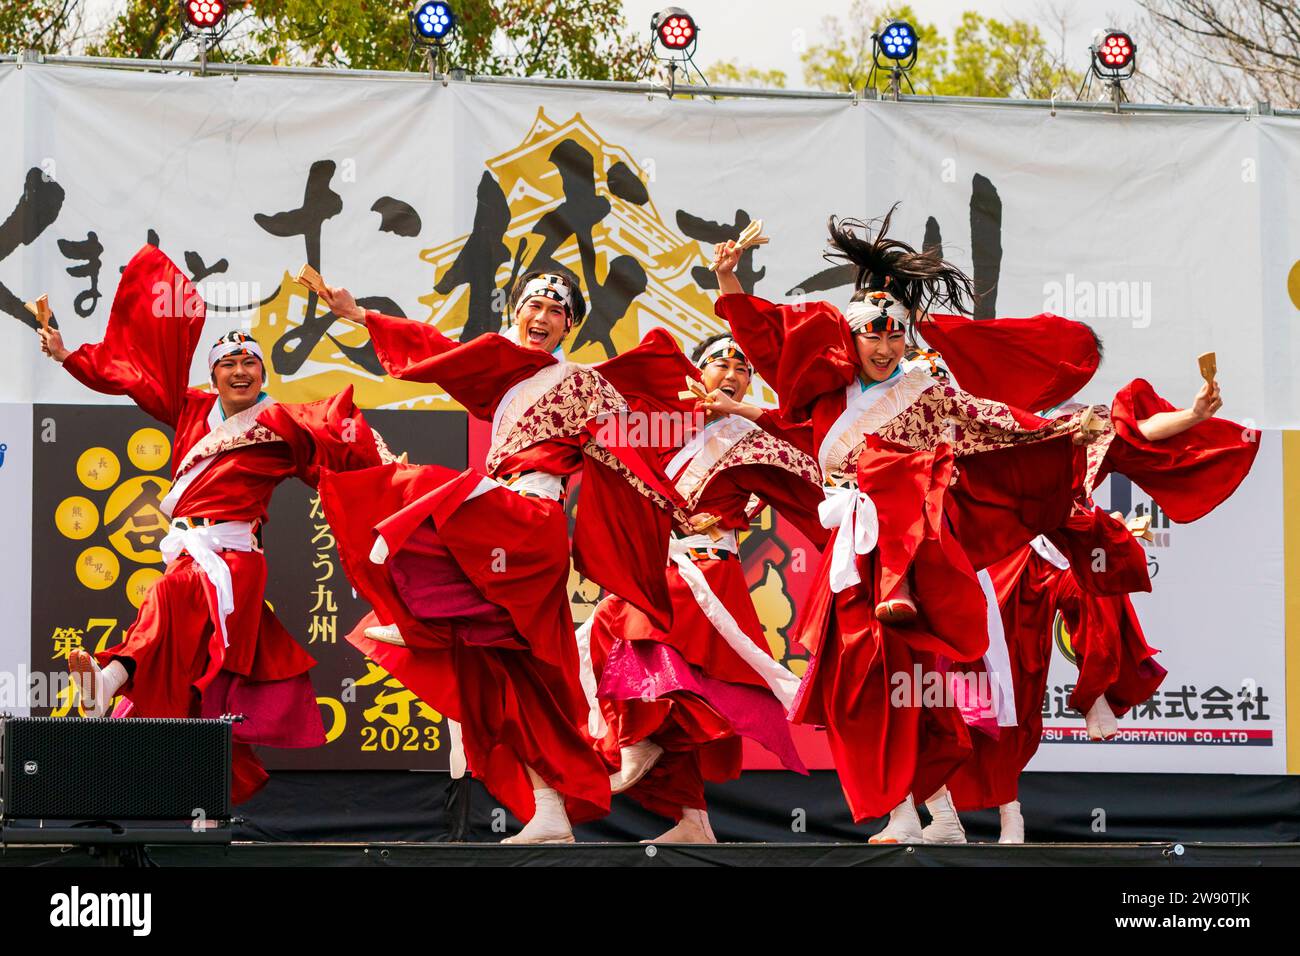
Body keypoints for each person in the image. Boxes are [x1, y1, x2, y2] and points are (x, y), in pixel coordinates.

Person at [715, 207, 1101, 843]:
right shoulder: (827, 398)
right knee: (866, 684)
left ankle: (925, 814)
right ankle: (927, 813)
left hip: (914, 557)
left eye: (898, 336)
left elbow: (993, 422)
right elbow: (775, 363)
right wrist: (732, 290)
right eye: (875, 336)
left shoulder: (928, 390)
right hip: (856, 558)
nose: (887, 347)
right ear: (852, 337)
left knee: (902, 678)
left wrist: (1065, 428)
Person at [314, 271, 686, 844]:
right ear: (515, 312)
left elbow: (630, 452)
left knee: (424, 491)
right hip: (502, 528)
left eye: (555, 311)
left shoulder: (581, 384)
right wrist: (361, 316)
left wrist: (672, 504)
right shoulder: (507, 376)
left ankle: (422, 627)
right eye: (532, 305)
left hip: (530, 522)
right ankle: (550, 811)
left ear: (570, 325)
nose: (541, 316)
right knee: (515, 681)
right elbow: (443, 352)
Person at [36, 245, 381, 803]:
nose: (239, 372)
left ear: (262, 373)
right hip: (191, 550)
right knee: (195, 689)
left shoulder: (280, 422)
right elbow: (129, 375)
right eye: (228, 364)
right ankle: (202, 802)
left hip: (235, 562)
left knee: (169, 595)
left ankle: (111, 678)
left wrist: (385, 481)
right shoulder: (191, 410)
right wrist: (68, 356)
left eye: (249, 363)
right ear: (214, 375)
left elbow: (335, 448)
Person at [585, 331, 826, 842]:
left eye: (744, 368)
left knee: (630, 630)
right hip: (662, 566)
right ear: (696, 373)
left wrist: (729, 512)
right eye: (722, 364)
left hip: (706, 573)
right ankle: (693, 821)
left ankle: (635, 739)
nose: (734, 375)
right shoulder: (662, 425)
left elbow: (807, 467)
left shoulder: (752, 439)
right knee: (679, 694)